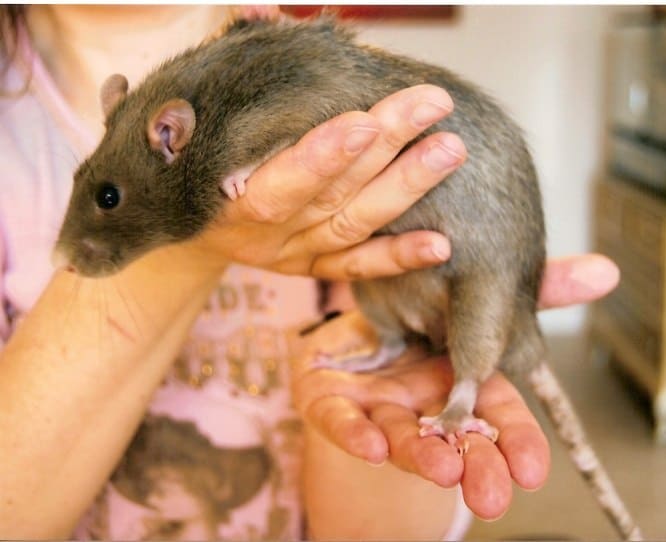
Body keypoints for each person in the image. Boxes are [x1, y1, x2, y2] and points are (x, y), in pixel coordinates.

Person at [0, 5, 620, 540]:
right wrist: (204, 245)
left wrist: (417, 383)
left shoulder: (297, 75)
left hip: (441, 285)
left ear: (171, 132)